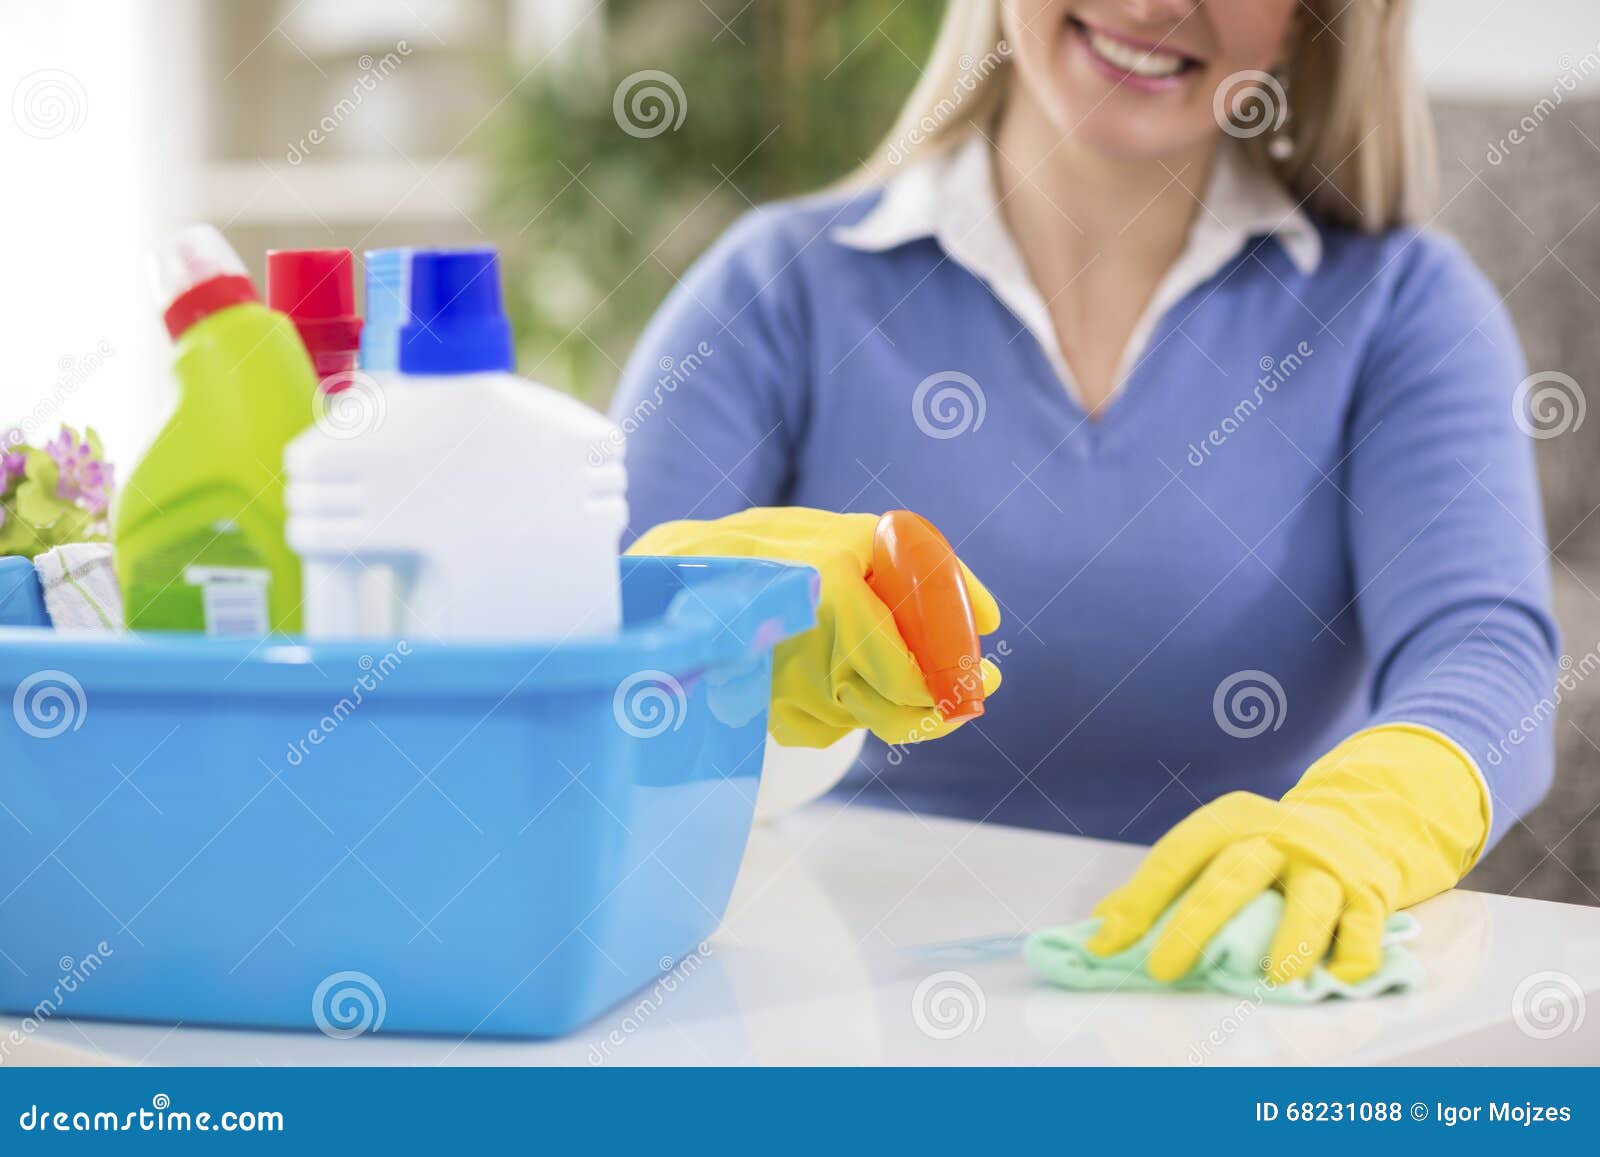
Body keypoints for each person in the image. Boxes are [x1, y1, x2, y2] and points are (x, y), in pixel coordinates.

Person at [610, 0, 1557, 985]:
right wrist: (718, 621)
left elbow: (1485, 649)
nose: (1152, 7)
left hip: (1226, 978)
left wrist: (1362, 822)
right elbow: (585, 650)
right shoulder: (781, 289)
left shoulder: (1397, 306)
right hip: (824, 984)